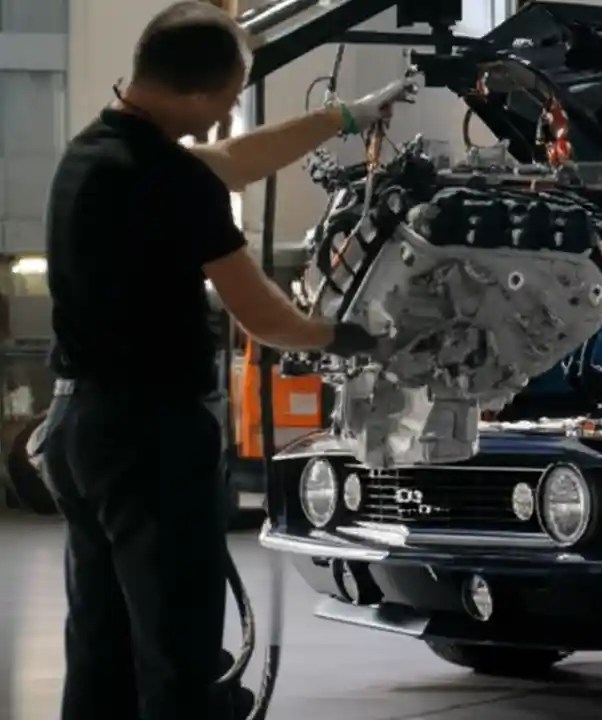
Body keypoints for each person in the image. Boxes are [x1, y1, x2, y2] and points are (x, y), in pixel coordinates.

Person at [38, 3, 417, 719]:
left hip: (77, 430)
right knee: (179, 650)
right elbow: (263, 313)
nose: (229, 112)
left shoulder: (96, 152)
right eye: (232, 96)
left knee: (103, 638)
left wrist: (347, 117)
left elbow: (237, 161)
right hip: (148, 432)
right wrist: (343, 337)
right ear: (204, 94)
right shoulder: (169, 180)